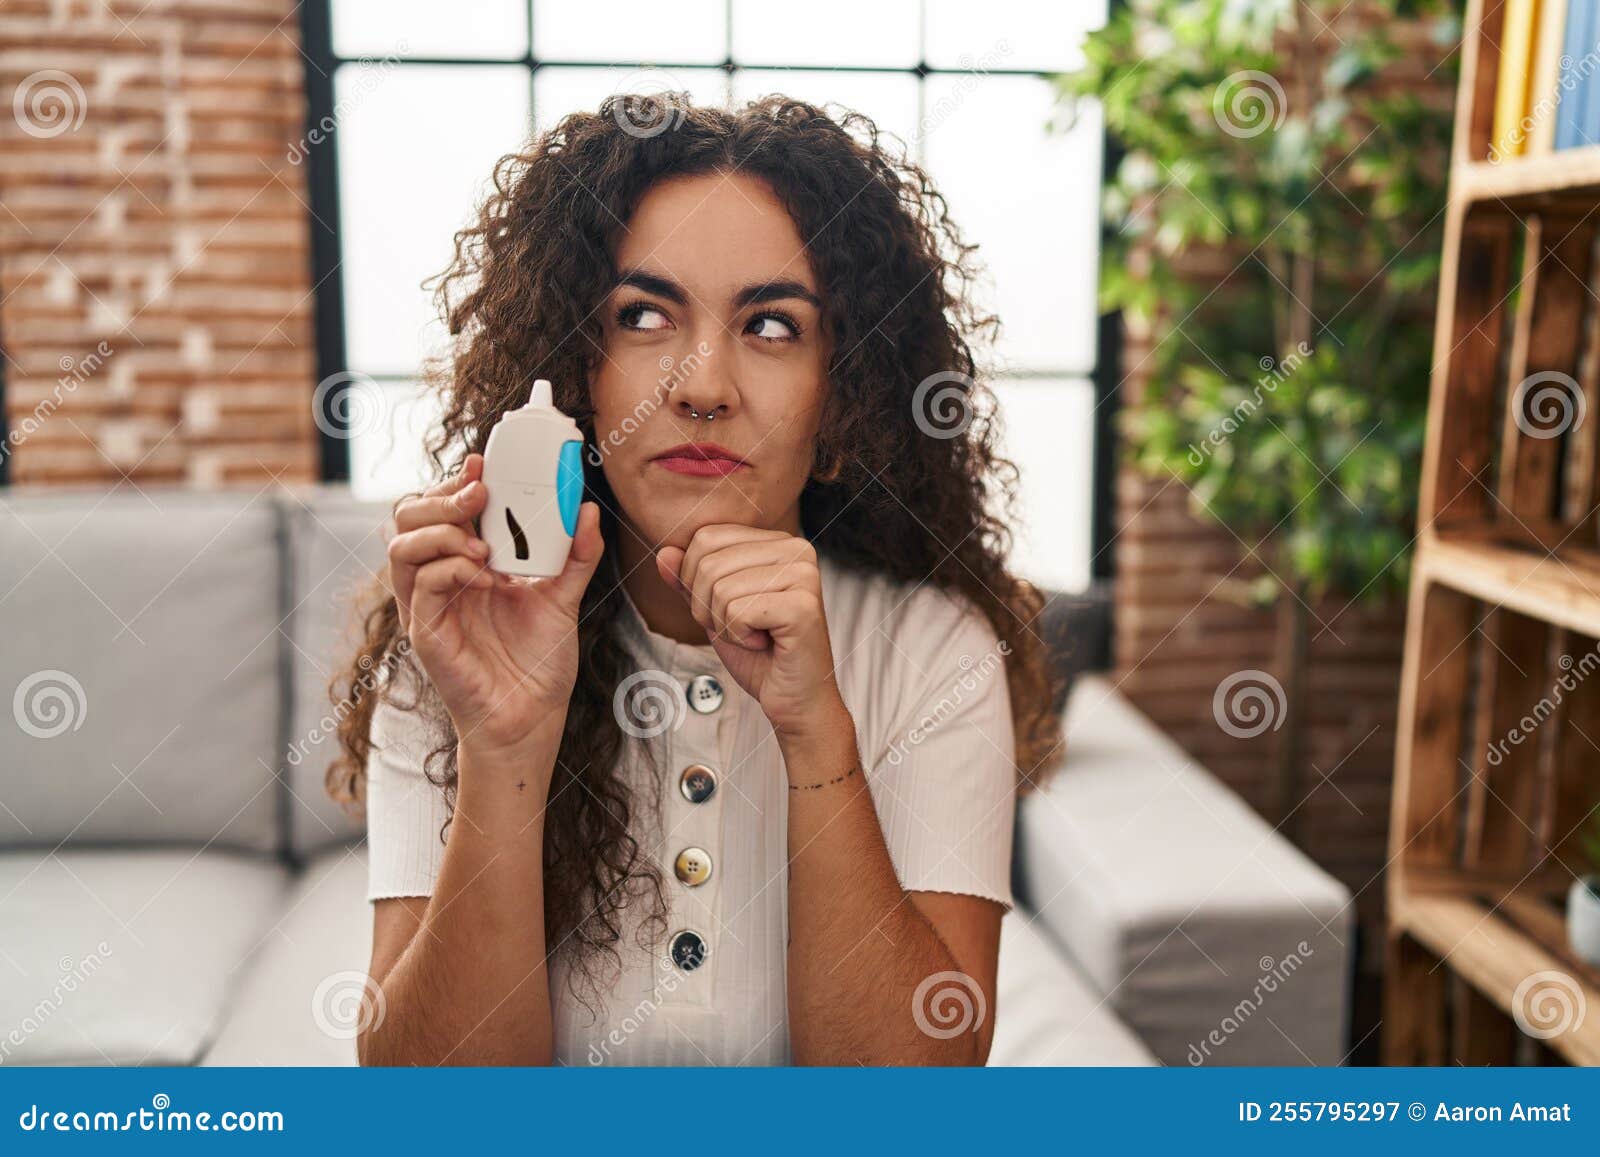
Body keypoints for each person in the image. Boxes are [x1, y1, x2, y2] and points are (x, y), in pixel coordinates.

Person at [328, 92, 1065, 1066]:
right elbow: (426, 1108)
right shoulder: (461, 636)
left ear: (843, 393)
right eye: (642, 315)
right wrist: (504, 739)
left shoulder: (933, 651)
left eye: (769, 326)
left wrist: (815, 732)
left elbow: (910, 1099)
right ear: (577, 373)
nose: (702, 384)